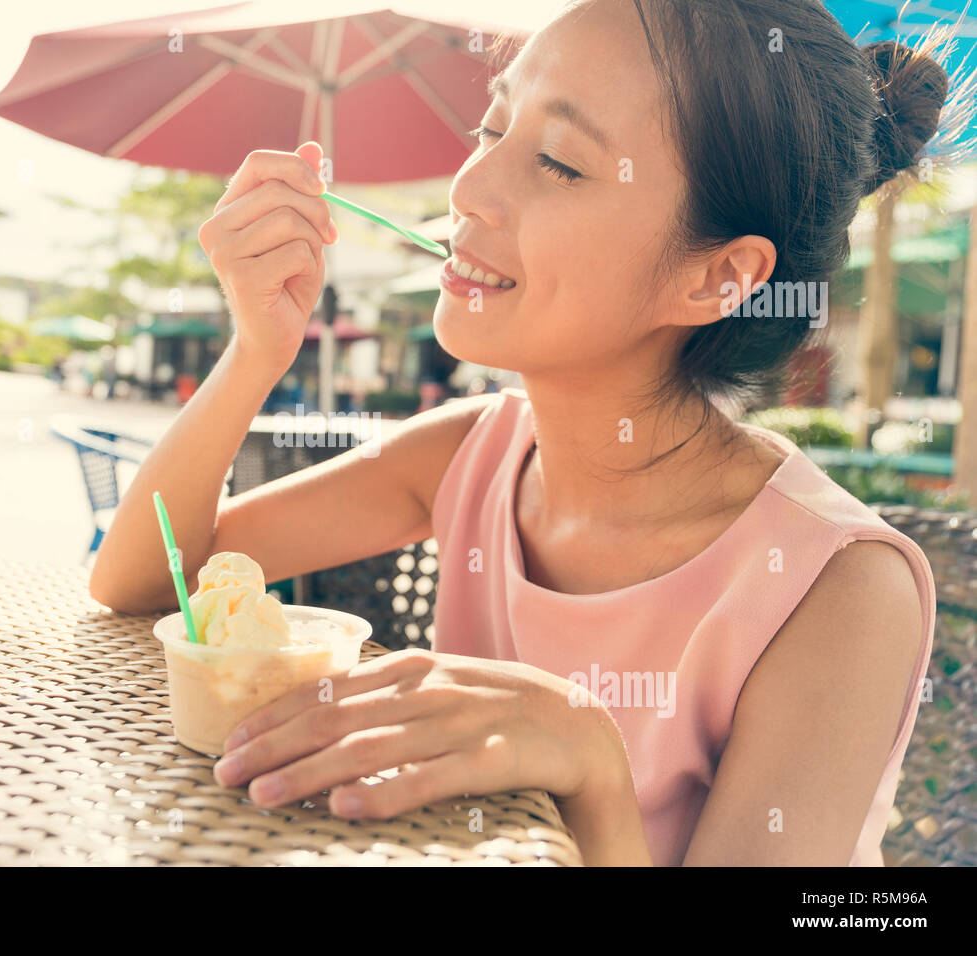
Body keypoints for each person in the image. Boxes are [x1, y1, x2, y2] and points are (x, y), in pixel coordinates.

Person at [90, 2, 952, 867]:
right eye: (490, 125)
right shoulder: (470, 454)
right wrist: (255, 350)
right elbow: (143, 578)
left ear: (717, 277)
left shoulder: (836, 590)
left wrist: (591, 769)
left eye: (557, 162)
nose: (468, 188)